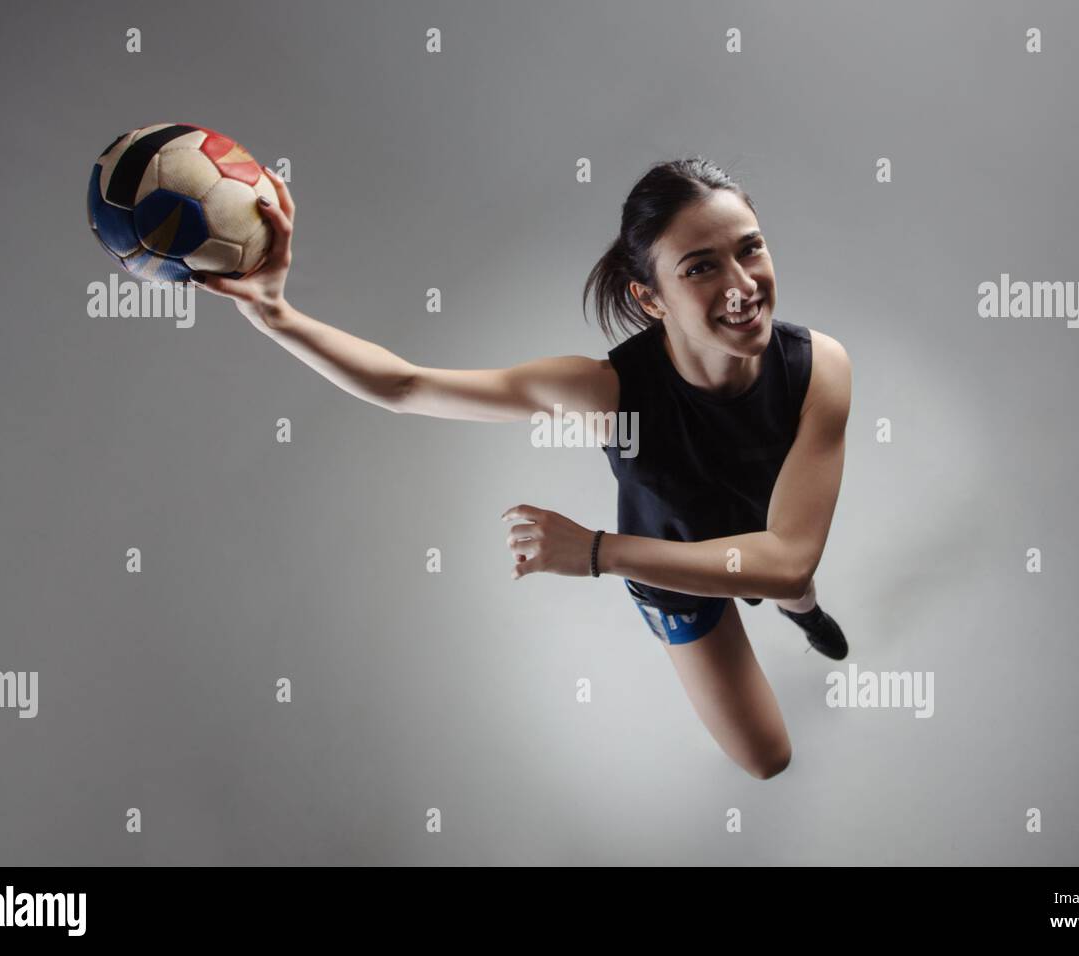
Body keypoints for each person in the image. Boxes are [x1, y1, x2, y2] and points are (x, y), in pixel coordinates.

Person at [192, 158, 851, 781]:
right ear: (650, 300)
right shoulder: (604, 391)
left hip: (761, 533)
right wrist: (273, 313)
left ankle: (807, 616)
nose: (741, 285)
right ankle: (793, 608)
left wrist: (595, 551)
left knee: (793, 585)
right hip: (667, 564)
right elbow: (405, 386)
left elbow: (785, 556)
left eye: (750, 248)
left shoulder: (818, 366)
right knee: (767, 759)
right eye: (701, 268)